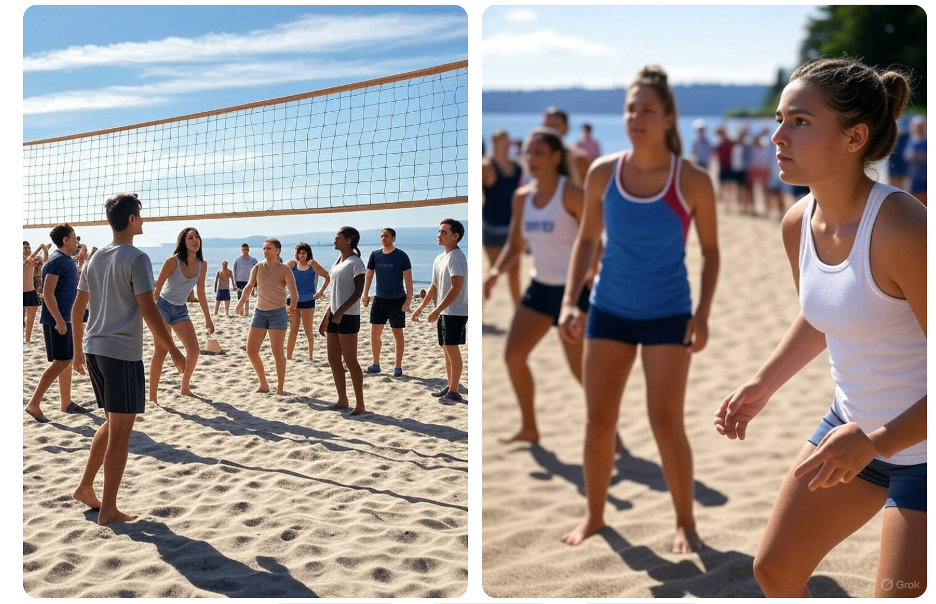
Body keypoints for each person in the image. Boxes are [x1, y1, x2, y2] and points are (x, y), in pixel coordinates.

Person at [714, 57, 925, 598]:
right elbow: (823, 312)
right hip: (851, 430)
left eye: (800, 121)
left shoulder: (904, 227)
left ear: (854, 138)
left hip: (919, 448)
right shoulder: (797, 222)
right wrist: (763, 383)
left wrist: (877, 441)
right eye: (780, 119)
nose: (777, 136)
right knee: (775, 572)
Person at [557, 65, 719, 553]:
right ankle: (595, 516)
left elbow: (711, 252)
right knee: (598, 422)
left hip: (669, 313)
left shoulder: (692, 180)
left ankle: (685, 522)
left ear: (668, 118)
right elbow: (587, 239)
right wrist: (569, 302)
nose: (636, 117)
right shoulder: (602, 171)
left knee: (666, 423)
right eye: (630, 109)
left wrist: (703, 314)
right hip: (609, 310)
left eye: (647, 109)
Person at [71, 192, 185, 525]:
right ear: (132, 219)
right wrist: (174, 350)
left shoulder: (94, 258)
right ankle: (108, 510)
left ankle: (85, 487)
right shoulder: (137, 258)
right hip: (120, 353)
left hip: (95, 348)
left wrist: (77, 350)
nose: (144, 220)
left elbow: (78, 308)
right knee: (120, 434)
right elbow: (148, 309)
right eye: (141, 215)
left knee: (112, 423)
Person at [483, 127, 589, 443]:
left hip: (573, 293)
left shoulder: (572, 194)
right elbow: (516, 245)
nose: (531, 158)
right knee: (513, 357)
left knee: (582, 372)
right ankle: (529, 428)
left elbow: (594, 240)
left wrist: (594, 274)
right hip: (540, 288)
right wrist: (494, 273)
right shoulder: (522, 197)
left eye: (538, 152)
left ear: (556, 157)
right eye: (528, 152)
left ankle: (610, 433)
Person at [24, 224, 87, 422]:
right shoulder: (57, 261)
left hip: (64, 318)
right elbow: (48, 293)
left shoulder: (65, 260)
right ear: (65, 240)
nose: (77, 241)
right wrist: (59, 320)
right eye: (75, 238)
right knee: (62, 361)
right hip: (56, 320)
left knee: (65, 361)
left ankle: (66, 403)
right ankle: (34, 403)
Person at [148, 227, 214, 402]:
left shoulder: (202, 264)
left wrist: (208, 319)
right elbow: (157, 288)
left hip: (180, 310)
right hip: (162, 307)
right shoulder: (173, 261)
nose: (195, 240)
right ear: (183, 242)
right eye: (190, 237)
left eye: (197, 237)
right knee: (161, 350)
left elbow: (201, 293)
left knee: (194, 350)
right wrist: (152, 314)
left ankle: (185, 387)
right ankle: (152, 397)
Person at [412, 219, 468, 402]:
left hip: (456, 311)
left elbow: (456, 287)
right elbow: (433, 287)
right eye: (439, 231)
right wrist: (420, 308)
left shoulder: (457, 257)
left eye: (444, 232)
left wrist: (437, 310)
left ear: (455, 236)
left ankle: (454, 390)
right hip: (445, 311)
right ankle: (450, 385)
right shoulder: (439, 258)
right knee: (445, 349)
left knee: (452, 348)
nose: (439, 235)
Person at [236, 238, 298, 395]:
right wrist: (240, 303)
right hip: (259, 313)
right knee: (251, 350)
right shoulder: (257, 267)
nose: (265, 251)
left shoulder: (285, 270)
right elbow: (249, 287)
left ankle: (280, 388)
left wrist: (292, 310)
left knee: (277, 353)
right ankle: (263, 384)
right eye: (264, 248)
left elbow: (294, 293)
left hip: (278, 313)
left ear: (277, 250)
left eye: (269, 248)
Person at [318, 227, 366, 415]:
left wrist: (340, 312)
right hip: (334, 315)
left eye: (338, 238)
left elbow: (358, 292)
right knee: (333, 359)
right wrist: (327, 316)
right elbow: (335, 294)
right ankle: (342, 399)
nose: (334, 240)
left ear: (348, 240)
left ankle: (360, 404)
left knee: (350, 360)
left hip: (349, 316)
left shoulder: (356, 263)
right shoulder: (338, 262)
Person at [362, 228, 413, 377]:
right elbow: (369, 275)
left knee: (397, 334)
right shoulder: (375, 255)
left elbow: (408, 279)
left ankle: (398, 366)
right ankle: (376, 364)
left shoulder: (401, 256)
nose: (384, 238)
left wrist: (408, 300)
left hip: (397, 300)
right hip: (379, 300)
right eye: (382, 236)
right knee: (375, 333)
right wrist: (365, 294)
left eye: (387, 236)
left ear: (393, 238)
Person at [482, 130, 523, 306]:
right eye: (503, 141)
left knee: (514, 272)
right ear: (495, 143)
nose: (507, 144)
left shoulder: (518, 168)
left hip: (513, 228)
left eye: (508, 141)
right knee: (493, 273)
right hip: (492, 228)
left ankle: (518, 311)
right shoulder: (486, 166)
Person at [286, 242, 330, 361]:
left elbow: (327, 276)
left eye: (304, 253)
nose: (301, 255)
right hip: (293, 300)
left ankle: (310, 356)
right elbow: (279, 275)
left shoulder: (312, 264)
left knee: (308, 330)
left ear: (307, 254)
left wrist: (321, 291)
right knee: (293, 330)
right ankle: (289, 356)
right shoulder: (292, 265)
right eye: (299, 253)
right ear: (296, 254)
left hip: (308, 301)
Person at [542, 107, 591, 186]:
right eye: (545, 126)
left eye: (553, 126)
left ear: (566, 128)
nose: (548, 130)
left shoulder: (579, 159)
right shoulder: (533, 158)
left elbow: (585, 190)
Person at [23, 241, 49, 343]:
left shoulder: (32, 261)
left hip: (30, 291)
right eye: (24, 248)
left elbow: (45, 261)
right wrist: (39, 248)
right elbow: (25, 262)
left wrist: (45, 250)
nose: (26, 249)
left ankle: (27, 340)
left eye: (28, 248)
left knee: (31, 318)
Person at [904, 115, 926, 205]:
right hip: (914, 178)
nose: (918, 129)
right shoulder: (912, 140)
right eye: (916, 127)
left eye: (920, 126)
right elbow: (907, 156)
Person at [232, 243, 258, 316]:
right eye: (243, 249)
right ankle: (241, 313)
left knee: (247, 297)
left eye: (246, 249)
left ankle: (246, 313)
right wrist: (234, 283)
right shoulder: (237, 260)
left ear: (248, 250)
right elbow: (234, 271)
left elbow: (258, 271)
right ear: (241, 250)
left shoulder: (253, 260)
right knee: (240, 297)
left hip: (249, 280)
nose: (245, 251)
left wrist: (256, 282)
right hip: (239, 281)